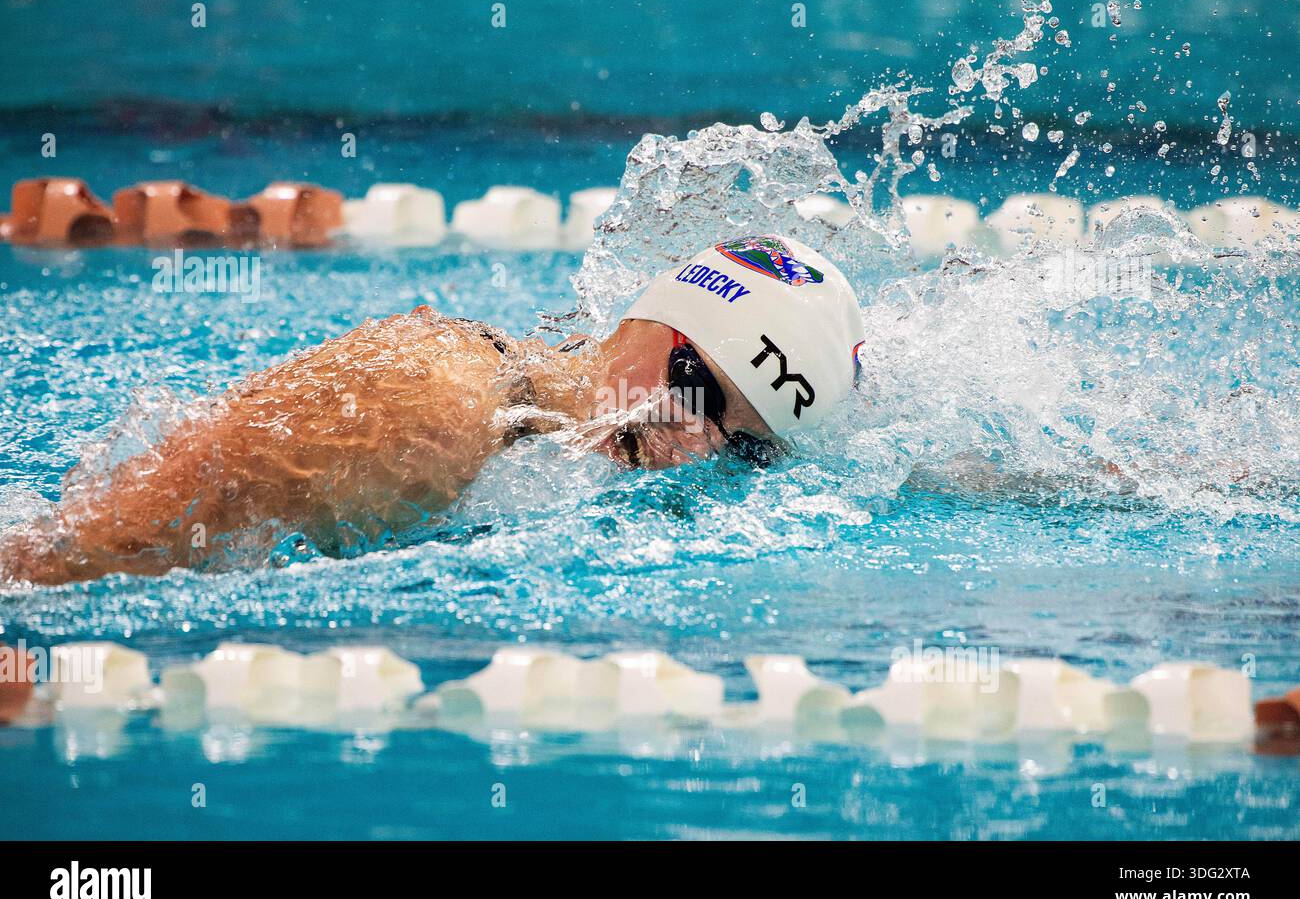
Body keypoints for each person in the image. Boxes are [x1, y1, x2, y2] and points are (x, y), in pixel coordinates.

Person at [0, 235, 865, 585]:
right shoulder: (431, 411)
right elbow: (94, 554)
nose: (693, 444)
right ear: (646, 320)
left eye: (745, 447)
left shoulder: (552, 443)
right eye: (697, 387)